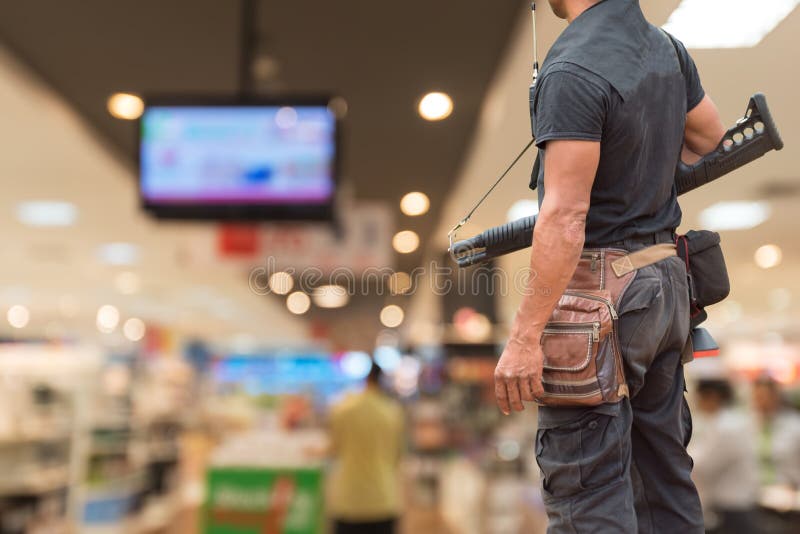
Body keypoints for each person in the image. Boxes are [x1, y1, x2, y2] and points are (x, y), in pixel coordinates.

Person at [493, 0, 725, 532]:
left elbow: (565, 213)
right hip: (665, 281)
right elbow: (709, 137)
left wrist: (526, 335)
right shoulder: (666, 47)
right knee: (662, 484)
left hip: (602, 299)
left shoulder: (572, 66)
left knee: (588, 494)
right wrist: (641, 172)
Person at [328, 363, 404, 534]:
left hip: (348, 499)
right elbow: (398, 457)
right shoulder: (393, 412)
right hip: (383, 498)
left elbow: (333, 449)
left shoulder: (342, 410)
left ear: (366, 380)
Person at [689, 379, 758, 533]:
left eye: (699, 398)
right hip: (726, 505)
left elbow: (701, 465)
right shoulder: (722, 422)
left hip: (732, 507)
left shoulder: (728, 426)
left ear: (712, 397)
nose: (698, 403)